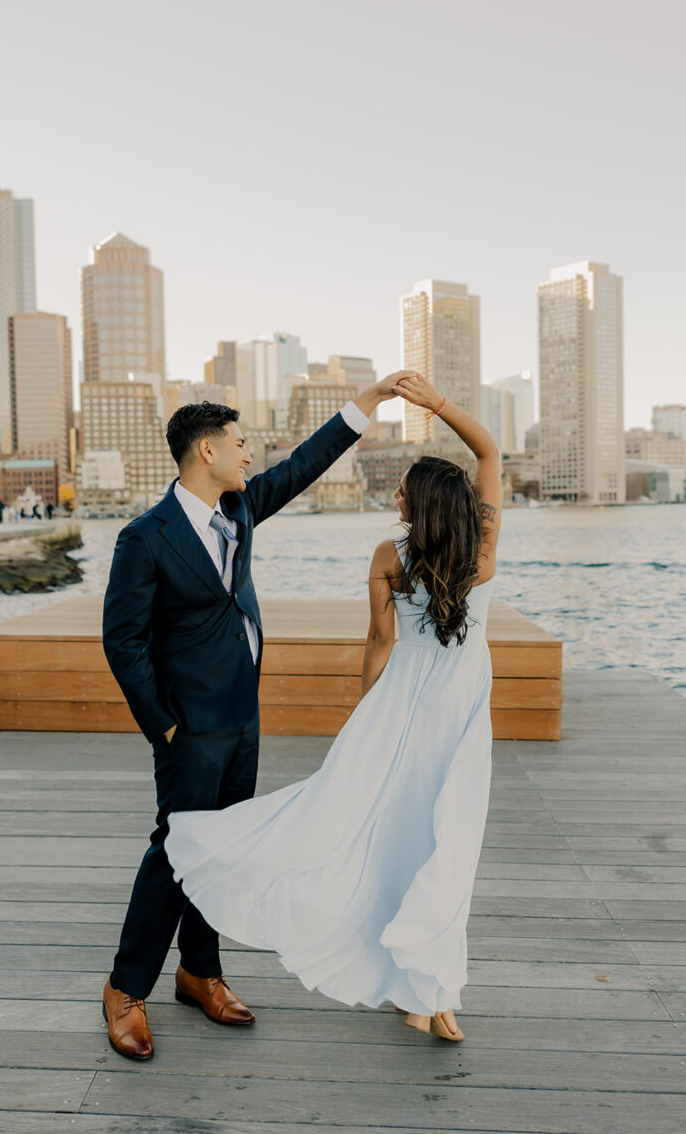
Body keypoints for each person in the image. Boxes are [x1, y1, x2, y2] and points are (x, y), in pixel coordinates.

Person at [164, 374, 502, 1043]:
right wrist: (439, 405)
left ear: (417, 507)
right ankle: (429, 991)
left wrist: (363, 720)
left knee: (397, 837)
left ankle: (426, 990)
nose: (395, 492)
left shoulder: (389, 555)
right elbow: (490, 454)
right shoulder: (483, 551)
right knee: (450, 847)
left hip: (403, 707)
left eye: (404, 485)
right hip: (460, 713)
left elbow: (380, 642)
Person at [101, 374, 412, 1060]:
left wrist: (367, 403)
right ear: (205, 452)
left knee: (228, 847)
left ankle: (200, 972)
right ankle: (126, 989)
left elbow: (303, 466)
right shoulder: (144, 539)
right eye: (240, 444)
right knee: (176, 852)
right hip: (189, 726)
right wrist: (164, 725)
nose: (250, 456)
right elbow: (121, 642)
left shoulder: (239, 510)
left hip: (243, 717)